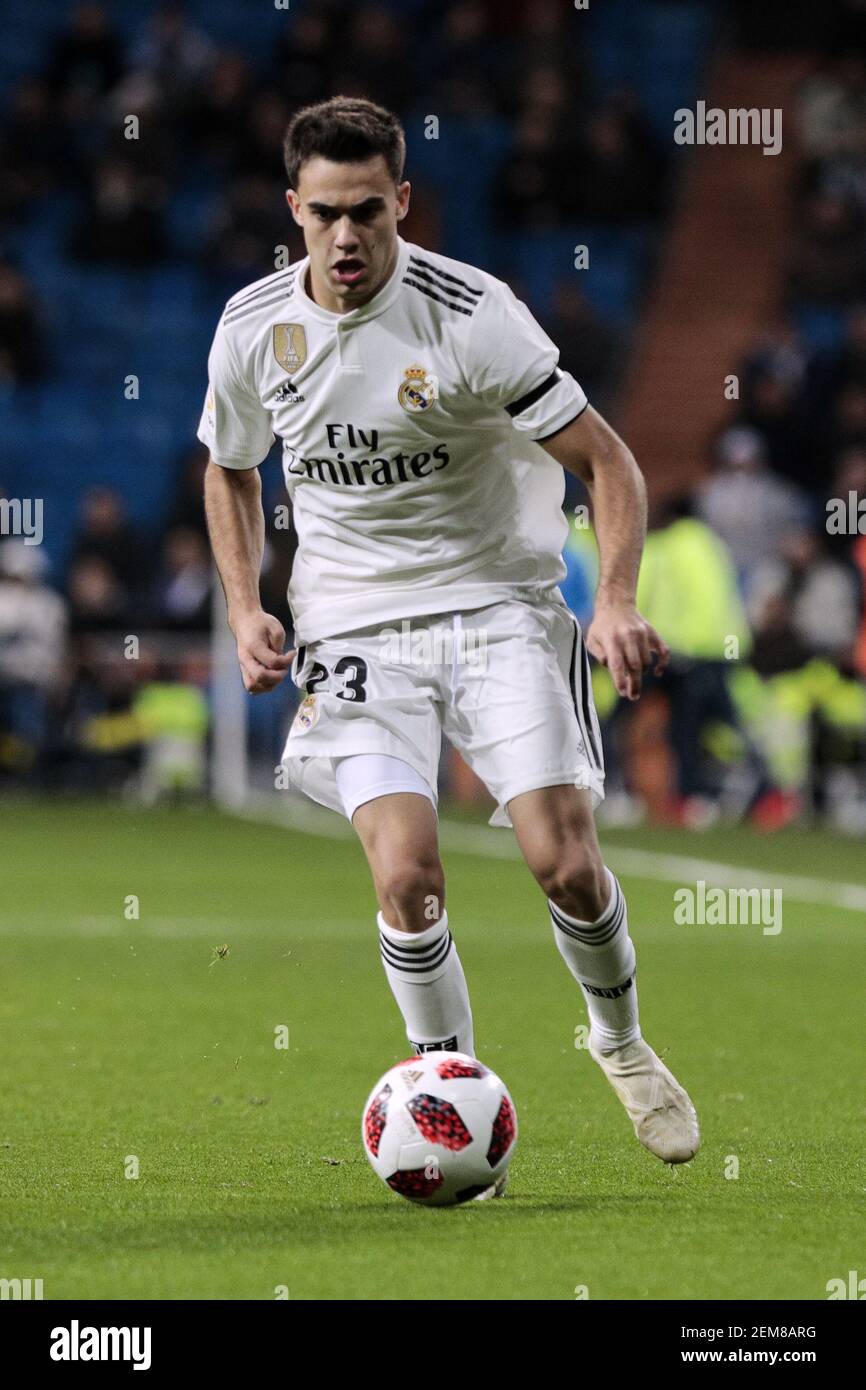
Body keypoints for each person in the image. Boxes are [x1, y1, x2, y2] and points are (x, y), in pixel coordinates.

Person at [201, 97, 699, 1184]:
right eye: (323, 213)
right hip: (352, 629)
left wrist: (611, 598)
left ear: (402, 204)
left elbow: (606, 462)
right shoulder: (251, 328)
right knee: (407, 880)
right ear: (293, 208)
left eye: (367, 212)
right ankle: (445, 1091)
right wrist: (246, 606)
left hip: (497, 610)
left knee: (562, 865)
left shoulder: (473, 315)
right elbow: (228, 467)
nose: (345, 237)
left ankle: (614, 1039)